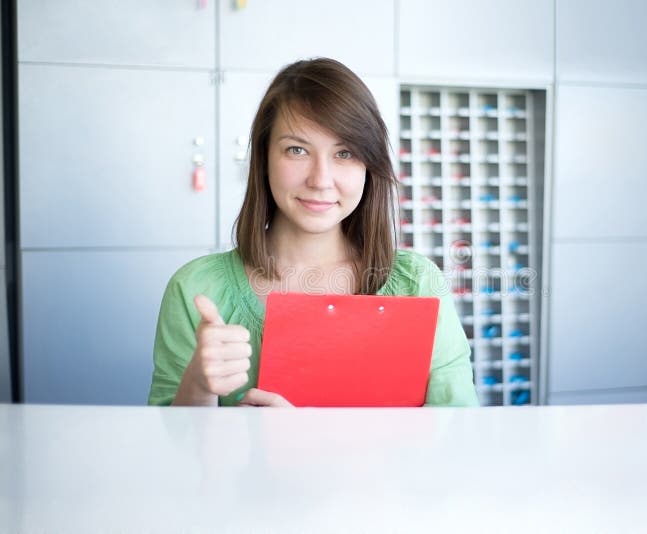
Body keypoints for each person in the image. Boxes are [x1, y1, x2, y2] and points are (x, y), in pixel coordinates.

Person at [148, 58, 478, 407]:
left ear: (369, 165)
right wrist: (199, 386)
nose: (320, 179)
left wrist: (308, 437)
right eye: (297, 150)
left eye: (345, 153)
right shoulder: (196, 289)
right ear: (263, 158)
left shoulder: (418, 284)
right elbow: (174, 452)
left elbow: (457, 434)